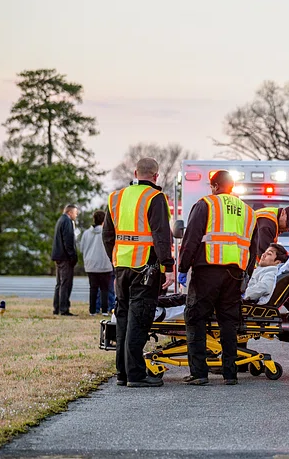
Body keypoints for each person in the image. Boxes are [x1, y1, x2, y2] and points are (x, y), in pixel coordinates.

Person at [178, 170, 257, 386]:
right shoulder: (248, 212)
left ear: (214, 186)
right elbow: (253, 248)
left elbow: (191, 238)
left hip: (207, 271)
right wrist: (245, 274)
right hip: (234, 274)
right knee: (228, 323)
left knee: (195, 318)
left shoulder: (206, 204)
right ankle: (230, 374)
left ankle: (199, 373)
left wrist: (183, 267)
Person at [103, 158, 175, 388]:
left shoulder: (116, 197)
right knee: (139, 321)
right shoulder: (155, 198)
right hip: (146, 268)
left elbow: (107, 235)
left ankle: (123, 373)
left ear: (135, 173)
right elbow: (161, 235)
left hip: (122, 267)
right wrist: (168, 267)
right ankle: (136, 374)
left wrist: (116, 260)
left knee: (123, 319)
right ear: (156, 176)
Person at [80, 210, 114, 316]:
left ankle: (92, 310)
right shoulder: (107, 232)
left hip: (91, 265)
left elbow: (82, 248)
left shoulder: (86, 233)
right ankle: (104, 310)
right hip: (104, 265)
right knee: (105, 289)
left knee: (93, 288)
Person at [52, 204, 79, 316]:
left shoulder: (60, 220)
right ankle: (64, 308)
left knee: (59, 283)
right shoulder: (67, 222)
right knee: (65, 283)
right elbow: (68, 241)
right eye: (75, 213)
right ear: (70, 212)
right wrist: (73, 256)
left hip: (58, 256)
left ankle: (57, 307)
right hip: (65, 257)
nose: (76, 215)